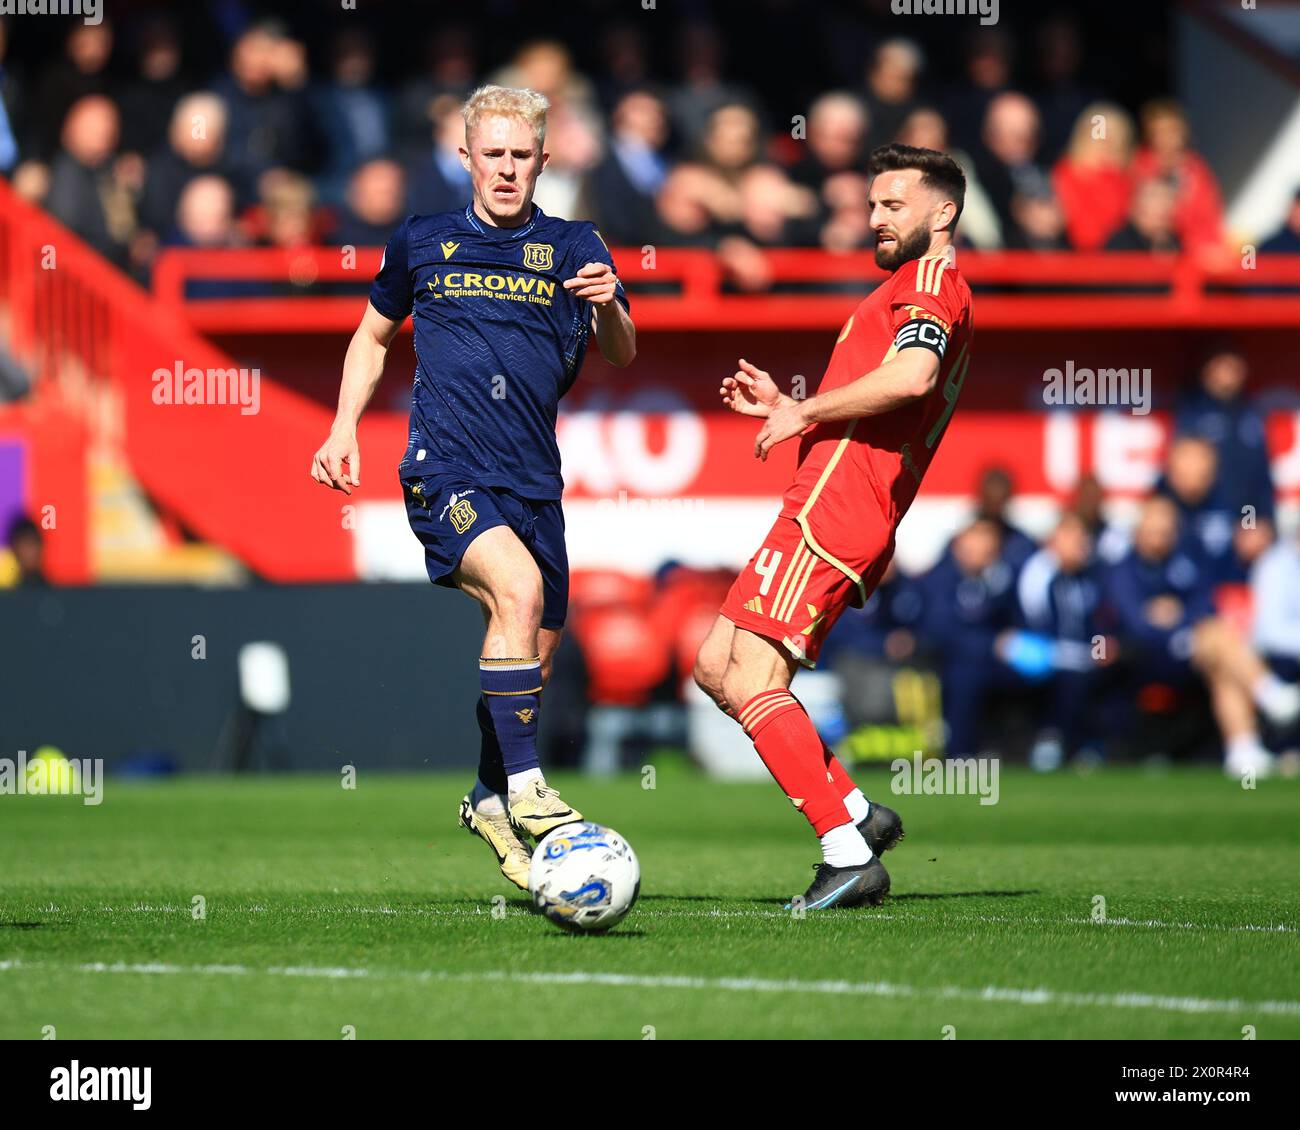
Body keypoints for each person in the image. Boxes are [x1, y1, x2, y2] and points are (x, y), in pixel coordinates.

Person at [310, 85, 636, 889]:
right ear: (465, 158)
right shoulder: (421, 242)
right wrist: (343, 425)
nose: (506, 169)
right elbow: (371, 335)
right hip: (444, 470)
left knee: (534, 654)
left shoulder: (573, 245)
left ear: (543, 161)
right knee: (516, 592)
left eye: (522, 155)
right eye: (492, 154)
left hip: (535, 483)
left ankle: (490, 794)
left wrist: (611, 310)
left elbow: (623, 351)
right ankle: (527, 790)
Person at [693, 144, 974, 910]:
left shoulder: (926, 281)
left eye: (894, 205)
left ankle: (844, 853)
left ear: (942, 213)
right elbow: (890, 389)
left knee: (750, 675)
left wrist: (802, 411)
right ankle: (853, 811)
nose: (875, 218)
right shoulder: (908, 288)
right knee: (717, 666)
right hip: (827, 499)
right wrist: (795, 403)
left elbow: (913, 376)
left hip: (835, 509)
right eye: (873, 204)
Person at [1105, 496, 1298, 779]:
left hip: (1192, 649)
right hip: (1145, 656)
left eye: (1166, 531)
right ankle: (1270, 692)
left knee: (1220, 660)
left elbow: (1207, 604)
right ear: (1138, 531)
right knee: (1216, 636)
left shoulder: (1186, 561)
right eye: (1153, 531)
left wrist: (1177, 613)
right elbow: (1137, 624)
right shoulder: (1122, 571)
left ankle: (1243, 750)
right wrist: (1181, 622)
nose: (1159, 538)